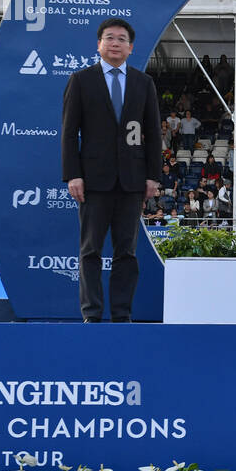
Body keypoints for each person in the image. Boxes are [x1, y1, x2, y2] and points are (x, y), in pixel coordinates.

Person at [61, 18, 163, 323]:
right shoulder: (81, 80)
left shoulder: (143, 83)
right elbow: (69, 132)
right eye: (109, 38)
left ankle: (122, 315)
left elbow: (153, 133)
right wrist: (73, 174)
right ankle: (91, 315)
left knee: (127, 254)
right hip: (93, 181)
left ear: (131, 48)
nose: (115, 43)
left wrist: (153, 176)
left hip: (131, 182)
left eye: (121, 39)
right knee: (90, 251)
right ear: (99, 45)